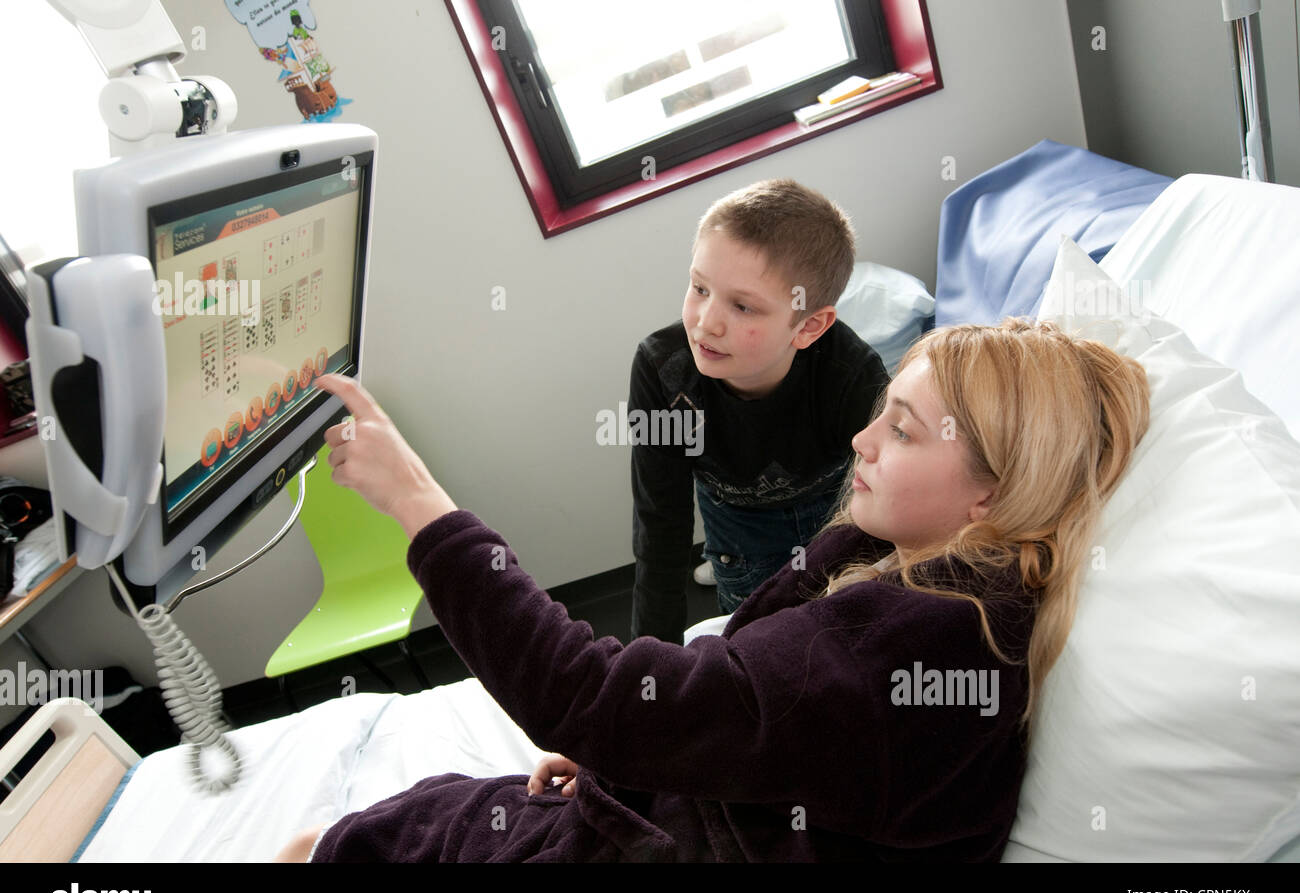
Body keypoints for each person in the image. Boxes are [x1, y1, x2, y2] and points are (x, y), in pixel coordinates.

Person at [278, 317, 1148, 862]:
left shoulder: (914, 647)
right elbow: (737, 704)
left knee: (339, 844)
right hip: (690, 806)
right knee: (407, 817)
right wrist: (623, 753)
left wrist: (417, 502)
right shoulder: (914, 568)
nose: (862, 438)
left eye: (903, 430)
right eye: (882, 411)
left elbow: (590, 691)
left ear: (991, 492)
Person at [629, 179, 890, 642]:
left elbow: (898, 493)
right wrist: (651, 663)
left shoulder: (850, 374)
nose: (706, 323)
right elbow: (660, 521)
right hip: (737, 532)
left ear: (808, 326)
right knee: (758, 644)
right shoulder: (662, 373)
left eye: (744, 306)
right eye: (699, 288)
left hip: (841, 514)